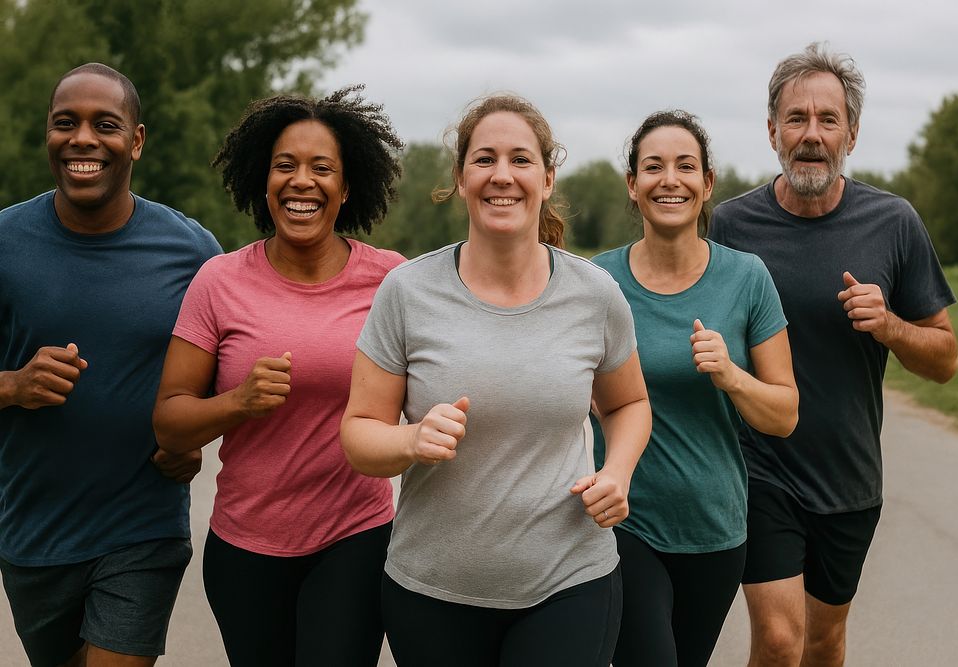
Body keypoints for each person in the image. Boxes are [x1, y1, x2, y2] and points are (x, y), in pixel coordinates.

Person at [340, 94, 652, 667]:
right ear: (460, 178)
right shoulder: (407, 293)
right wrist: (410, 441)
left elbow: (629, 403)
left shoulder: (594, 294)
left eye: (521, 159)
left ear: (548, 177)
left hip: (570, 580)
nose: (502, 176)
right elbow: (359, 434)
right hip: (431, 589)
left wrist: (617, 472)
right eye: (484, 160)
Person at [708, 42, 958, 666]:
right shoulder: (732, 226)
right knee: (778, 639)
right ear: (772, 132)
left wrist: (892, 326)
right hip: (758, 466)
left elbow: (946, 359)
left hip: (847, 475)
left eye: (827, 120)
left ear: (852, 132)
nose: (812, 135)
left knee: (823, 644)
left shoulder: (893, 222)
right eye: (797, 119)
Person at [151, 86, 405, 667]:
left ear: (346, 187)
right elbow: (170, 422)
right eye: (284, 165)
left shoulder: (392, 280)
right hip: (247, 545)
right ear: (262, 181)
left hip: (356, 534)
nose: (302, 181)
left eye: (323, 168)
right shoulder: (219, 281)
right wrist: (237, 402)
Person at [0, 63, 221, 667]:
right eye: (64, 123)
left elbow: (220, 376)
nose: (83, 139)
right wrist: (13, 385)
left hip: (142, 525)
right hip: (33, 532)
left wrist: (193, 435)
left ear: (138, 140)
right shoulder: (6, 241)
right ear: (47, 134)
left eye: (106, 124)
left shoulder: (192, 254)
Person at [590, 110, 799, 667]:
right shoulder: (597, 283)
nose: (670, 180)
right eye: (653, 167)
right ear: (633, 186)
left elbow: (784, 415)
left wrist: (731, 375)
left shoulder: (747, 278)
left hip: (714, 527)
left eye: (686, 167)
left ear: (707, 185)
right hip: (622, 521)